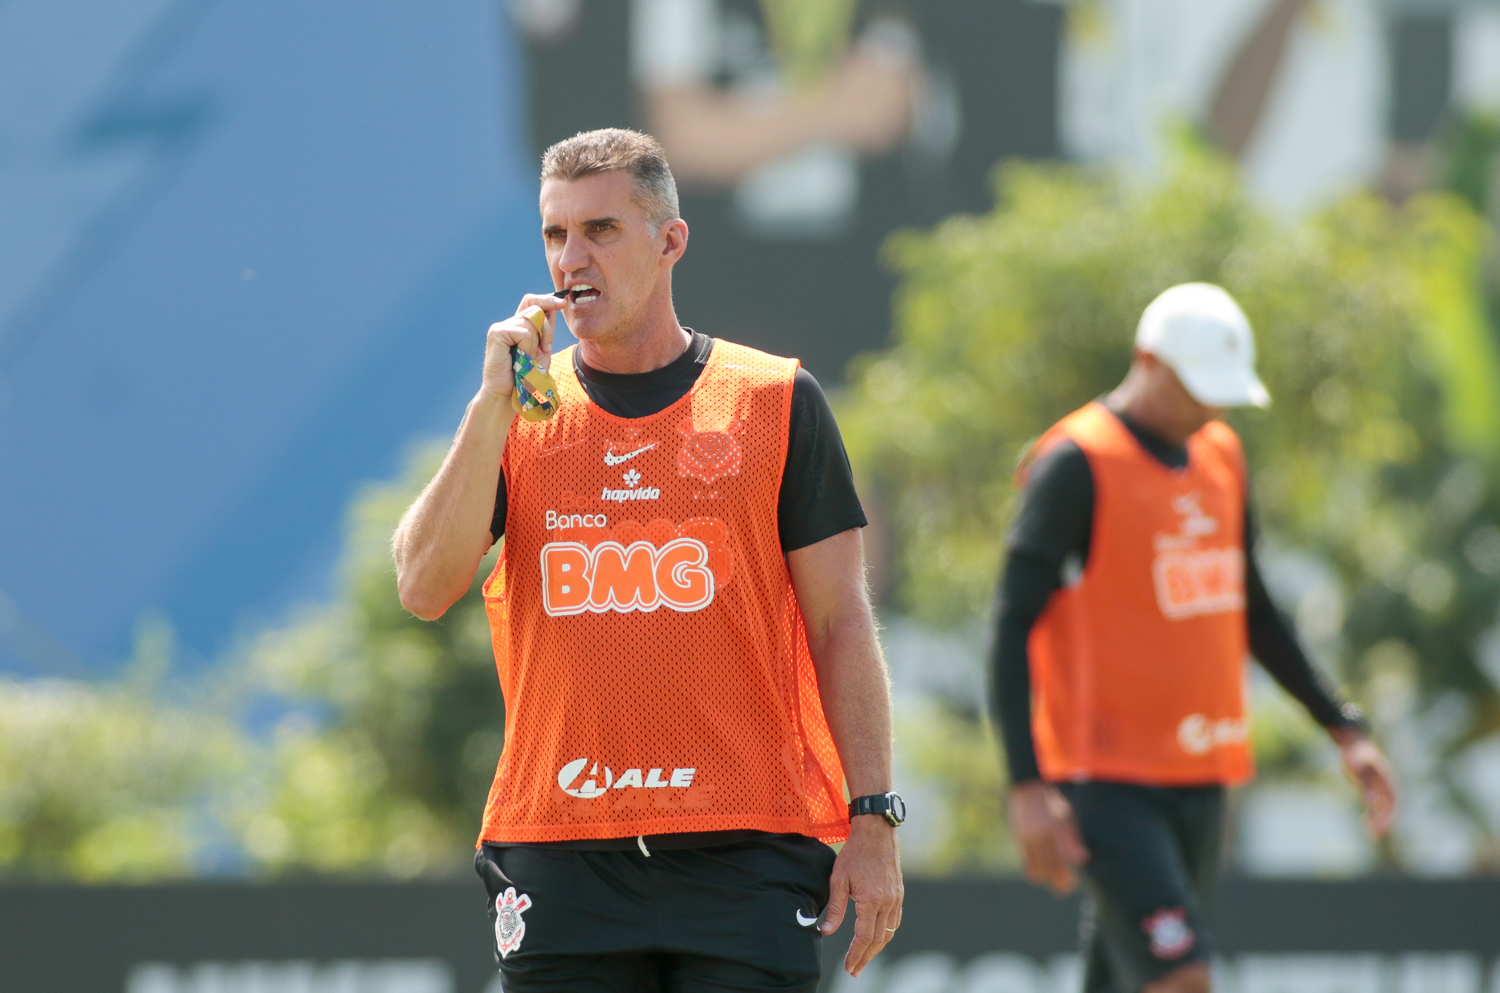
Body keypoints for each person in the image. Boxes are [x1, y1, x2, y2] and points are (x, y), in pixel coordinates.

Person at [392, 128, 903, 992]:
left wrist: (874, 818)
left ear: (671, 242)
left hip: (746, 847)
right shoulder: (520, 411)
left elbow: (840, 620)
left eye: (600, 230)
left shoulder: (775, 400)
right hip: (561, 851)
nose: (570, 258)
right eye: (555, 234)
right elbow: (422, 585)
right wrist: (491, 404)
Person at [989, 283, 1398, 993]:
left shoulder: (1221, 456)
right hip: (1107, 780)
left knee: (1125, 979)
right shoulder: (1076, 463)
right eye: (1198, 387)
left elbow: (1256, 612)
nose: (1211, 407)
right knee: (1182, 977)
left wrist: (1344, 726)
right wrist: (1028, 783)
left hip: (1203, 774)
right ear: (1148, 359)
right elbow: (1009, 625)